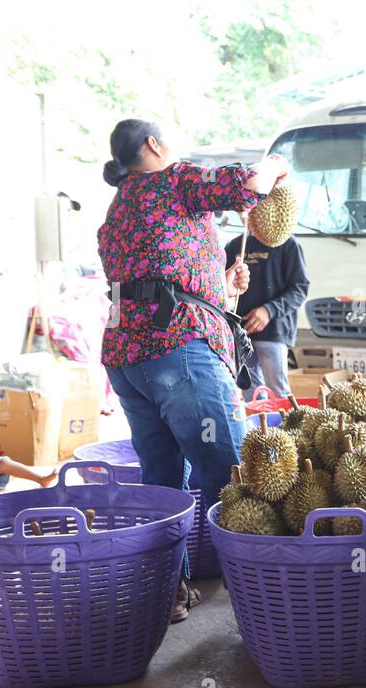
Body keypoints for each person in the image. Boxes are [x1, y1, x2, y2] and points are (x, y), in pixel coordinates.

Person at [97, 118, 289, 621]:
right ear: (154, 145)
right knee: (237, 473)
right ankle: (270, 600)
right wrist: (275, 166)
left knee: (161, 482)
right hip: (179, 349)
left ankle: (169, 595)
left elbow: (155, 278)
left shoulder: (118, 209)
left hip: (129, 359)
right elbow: (247, 184)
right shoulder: (173, 179)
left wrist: (222, 285)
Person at [224, 210, 309, 397]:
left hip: (274, 332)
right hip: (242, 333)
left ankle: (284, 426)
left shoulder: (288, 244)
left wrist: (268, 311)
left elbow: (300, 288)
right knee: (250, 393)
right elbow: (224, 289)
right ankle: (259, 426)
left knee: (278, 391)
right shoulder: (234, 246)